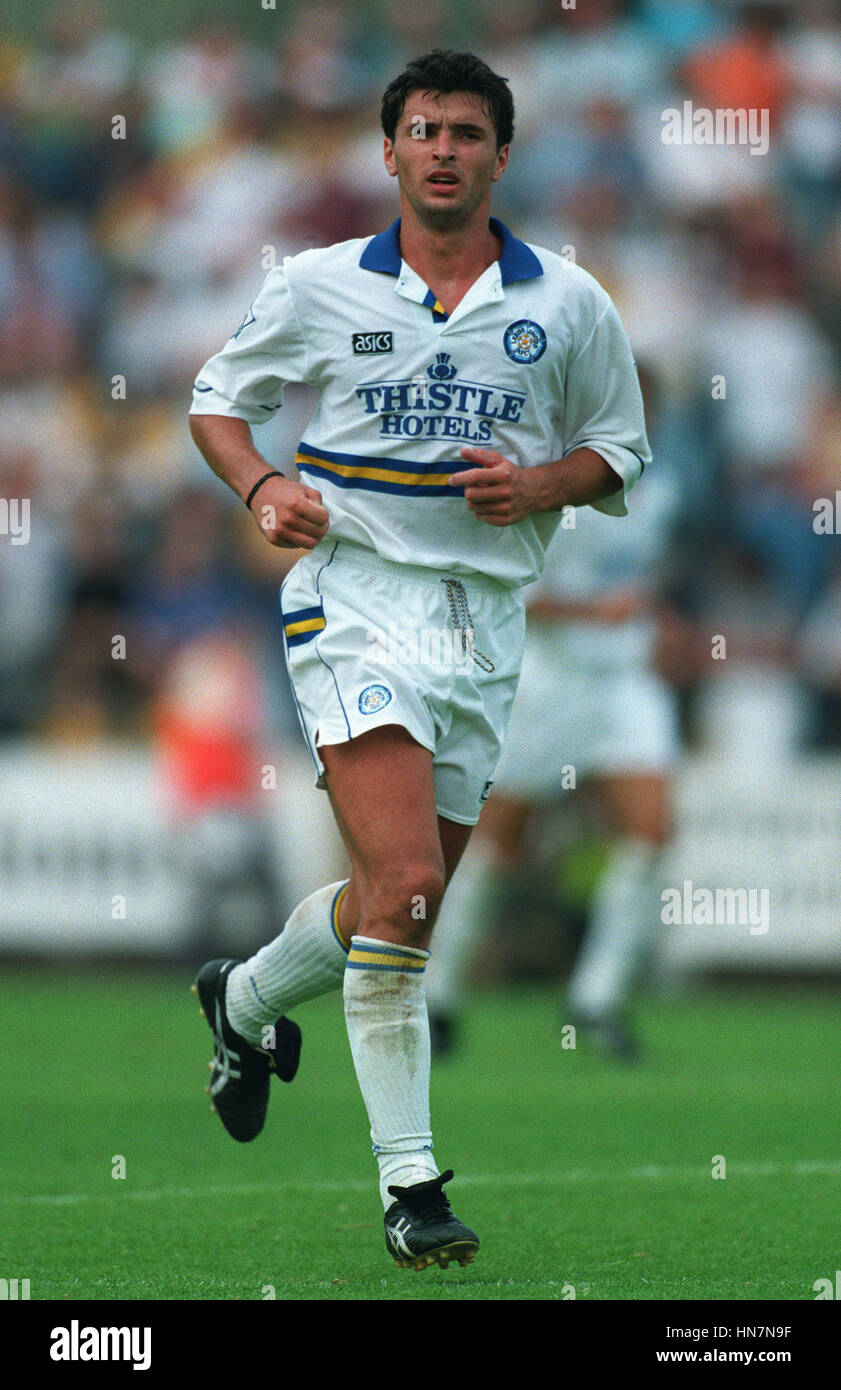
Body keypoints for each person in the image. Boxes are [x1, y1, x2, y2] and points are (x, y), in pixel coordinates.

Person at [187, 49, 649, 1273]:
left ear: (504, 152)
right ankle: (412, 1188)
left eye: (466, 131)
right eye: (422, 129)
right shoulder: (320, 283)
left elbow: (621, 450)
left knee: (398, 906)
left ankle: (240, 999)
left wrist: (546, 480)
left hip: (486, 628)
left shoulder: (570, 303)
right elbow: (215, 398)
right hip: (353, 598)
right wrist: (263, 483)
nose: (443, 148)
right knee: (404, 892)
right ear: (387, 152)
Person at [425, 387, 681, 1060]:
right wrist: (593, 616)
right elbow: (503, 593)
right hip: (547, 680)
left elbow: (645, 583)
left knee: (651, 833)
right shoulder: (546, 490)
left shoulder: (660, 492)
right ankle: (441, 994)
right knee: (500, 842)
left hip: (624, 682)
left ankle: (594, 999)